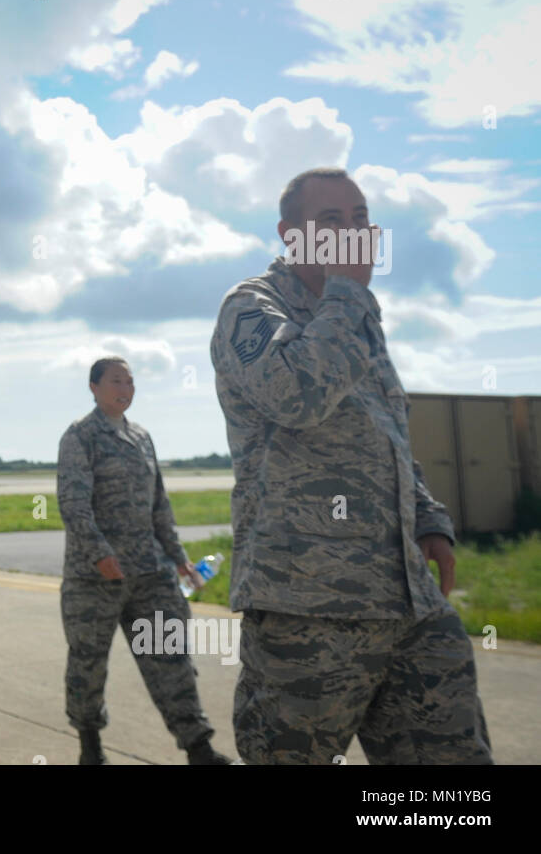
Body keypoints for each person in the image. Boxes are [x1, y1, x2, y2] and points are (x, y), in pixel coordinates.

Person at [210, 167, 492, 764]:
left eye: (360, 218)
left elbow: (386, 432)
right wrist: (347, 293)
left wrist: (429, 519)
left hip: (408, 601)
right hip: (308, 607)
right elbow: (297, 396)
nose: (351, 231)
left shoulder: (357, 313)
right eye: (331, 220)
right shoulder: (251, 307)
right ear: (291, 235)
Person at [57, 356, 231, 765]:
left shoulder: (142, 437)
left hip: (150, 574)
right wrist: (100, 553)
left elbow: (160, 506)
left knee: (171, 657)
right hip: (94, 578)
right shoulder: (80, 437)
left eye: (131, 382)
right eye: (117, 381)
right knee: (89, 663)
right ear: (94, 387)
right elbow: (73, 503)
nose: (126, 388)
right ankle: (90, 747)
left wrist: (180, 558)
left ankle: (199, 748)